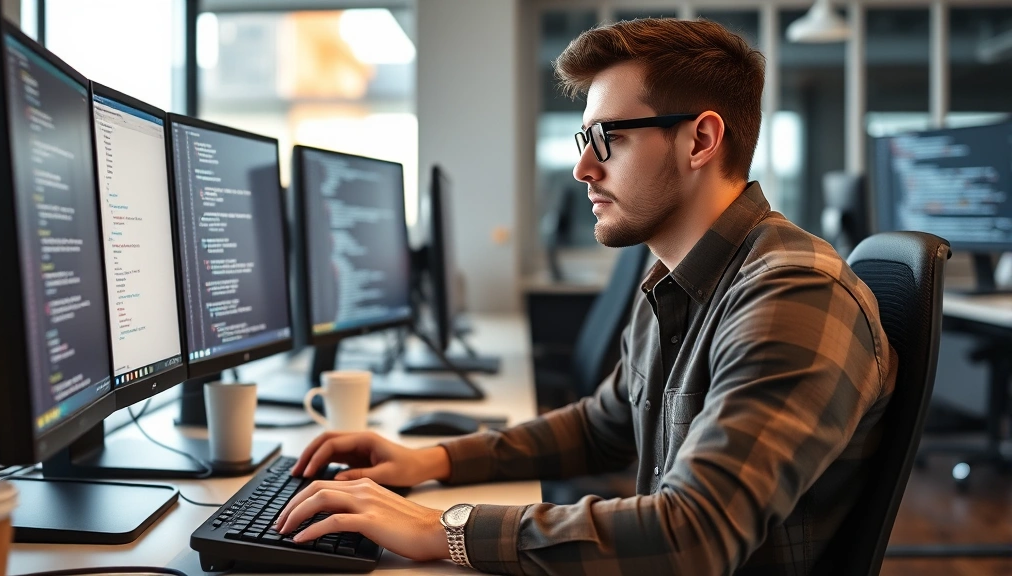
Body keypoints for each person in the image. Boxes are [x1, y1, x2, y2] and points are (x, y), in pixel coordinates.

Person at [275, 17, 896, 575]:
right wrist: (429, 460)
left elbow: (695, 537)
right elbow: (605, 425)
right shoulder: (676, 278)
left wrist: (444, 528)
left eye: (609, 139)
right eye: (584, 141)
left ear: (701, 141)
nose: (582, 170)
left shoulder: (794, 295)